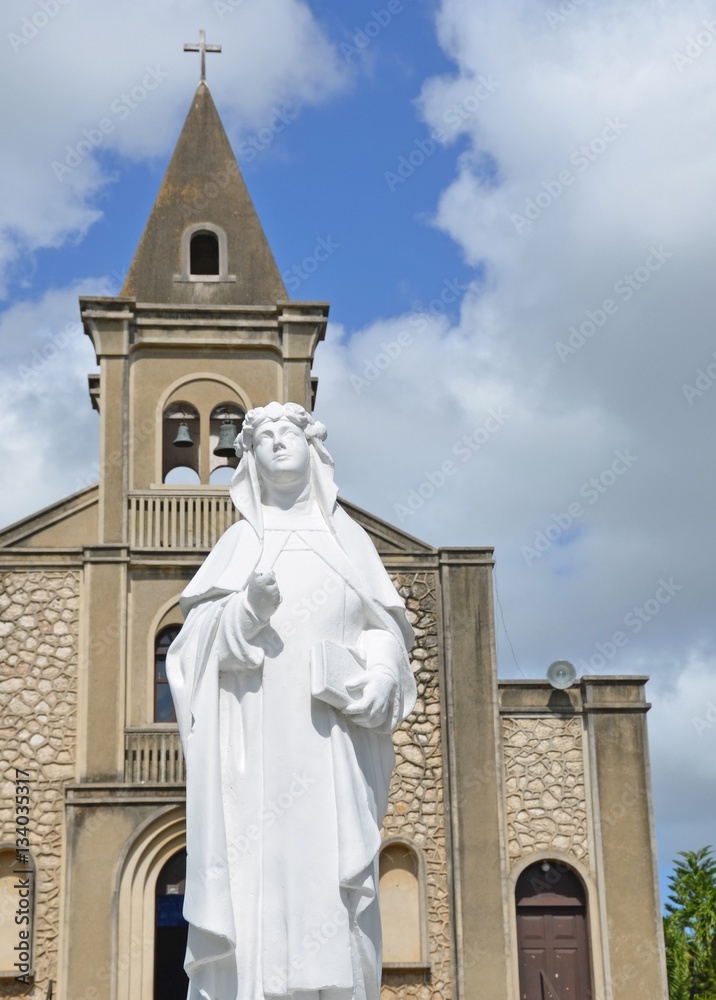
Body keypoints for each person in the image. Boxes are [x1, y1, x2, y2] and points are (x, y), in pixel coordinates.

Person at [167, 401, 416, 1000]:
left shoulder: (347, 540)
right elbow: (189, 649)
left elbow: (383, 626)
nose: (278, 445)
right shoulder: (240, 543)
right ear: (248, 459)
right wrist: (245, 610)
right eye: (264, 438)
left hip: (330, 747)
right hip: (255, 753)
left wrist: (382, 673)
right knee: (260, 871)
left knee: (331, 872)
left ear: (315, 451)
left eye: (288, 434)